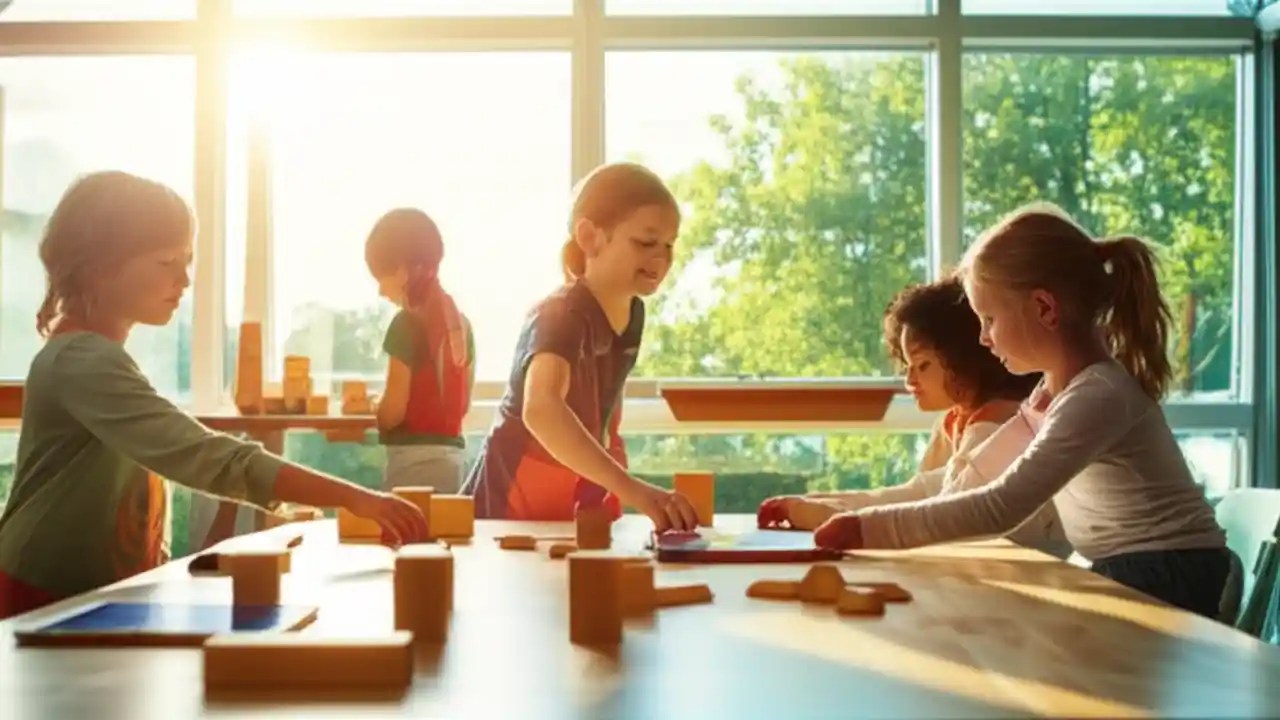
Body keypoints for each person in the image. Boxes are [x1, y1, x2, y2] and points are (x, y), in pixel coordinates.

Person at [0, 171, 428, 620]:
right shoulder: (82, 361)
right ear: (97, 267)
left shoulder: (96, 357)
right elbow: (209, 456)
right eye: (167, 262)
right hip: (42, 593)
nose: (184, 280)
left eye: (186, 260)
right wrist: (358, 498)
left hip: (87, 595)